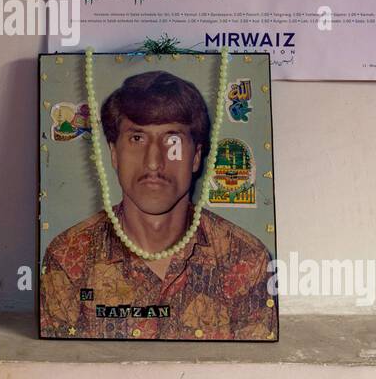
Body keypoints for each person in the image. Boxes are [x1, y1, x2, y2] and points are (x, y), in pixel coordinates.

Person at [41, 70, 275, 340]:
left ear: (196, 157)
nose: (154, 162)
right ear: (114, 154)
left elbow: (251, 374)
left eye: (172, 140)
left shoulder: (246, 258)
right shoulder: (68, 258)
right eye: (137, 139)